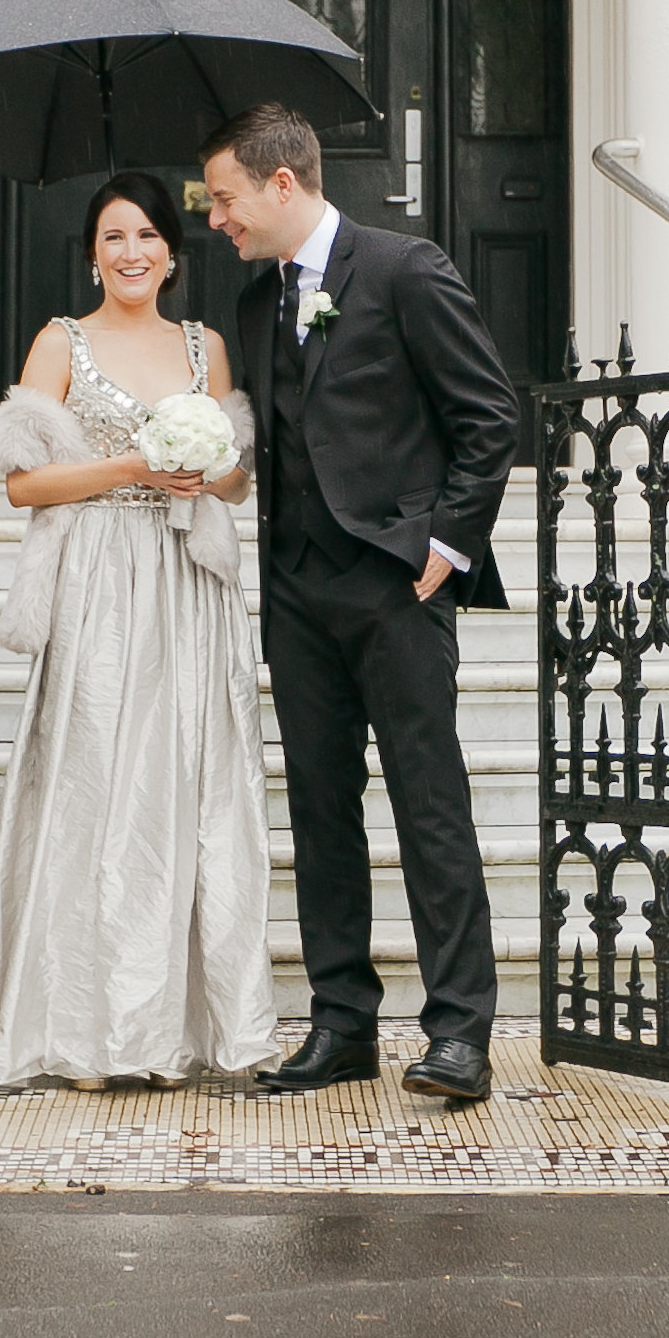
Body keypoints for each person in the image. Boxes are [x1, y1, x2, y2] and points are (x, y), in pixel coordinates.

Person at [201, 103, 518, 1104]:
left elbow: (488, 417)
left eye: (224, 198)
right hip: (295, 589)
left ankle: (460, 1028)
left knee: (429, 801)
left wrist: (444, 546)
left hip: (393, 581)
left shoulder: (403, 268)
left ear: (281, 185)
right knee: (319, 805)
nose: (216, 220)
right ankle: (340, 1021)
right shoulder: (256, 305)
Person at [0, 171, 278, 1090]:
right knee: (93, 789)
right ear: (92, 251)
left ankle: (163, 1031)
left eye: (147, 236)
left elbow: (241, 476)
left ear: (173, 250)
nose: (131, 252)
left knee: (186, 791)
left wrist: (203, 472)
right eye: (113, 236)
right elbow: (19, 481)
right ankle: (82, 1033)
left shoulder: (207, 346)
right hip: (98, 578)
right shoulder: (62, 341)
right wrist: (132, 462)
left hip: (187, 583)